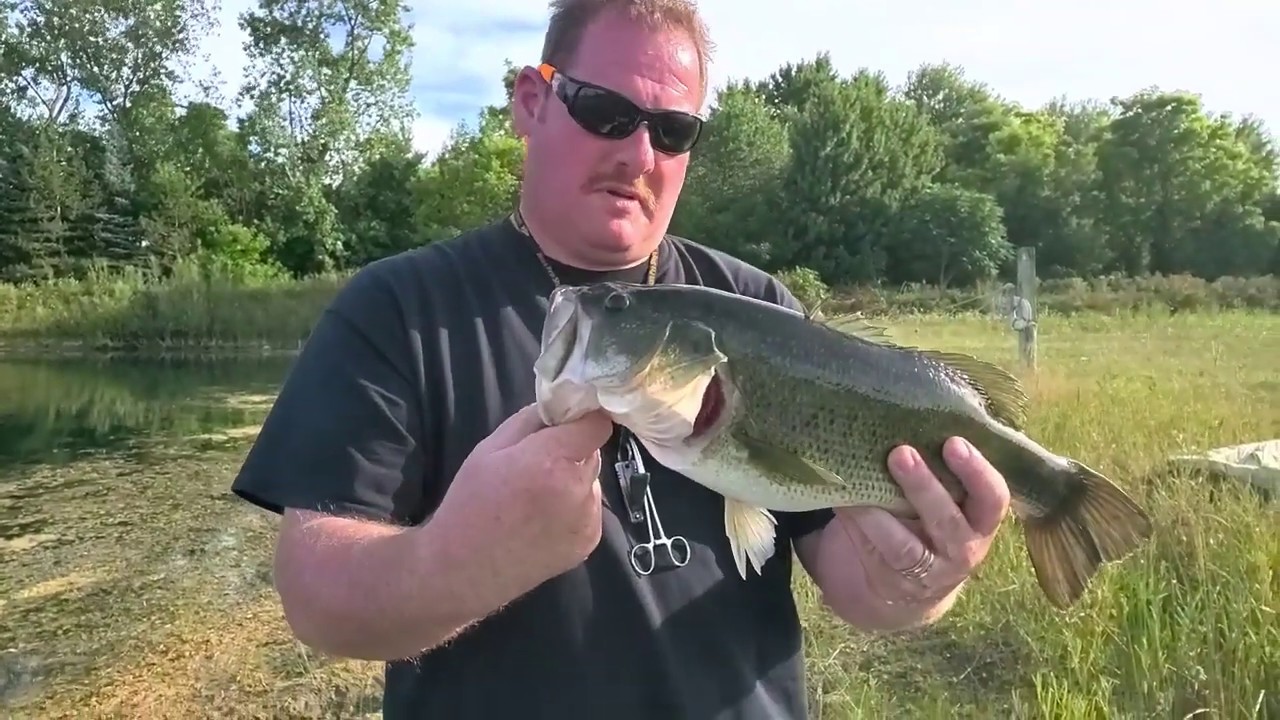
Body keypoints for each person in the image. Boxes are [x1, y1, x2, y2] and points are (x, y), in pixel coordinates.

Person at [229, 0, 1013, 717]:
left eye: (673, 131)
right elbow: (315, 593)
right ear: (531, 103)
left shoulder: (759, 309)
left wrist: (923, 578)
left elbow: (859, 583)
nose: (640, 153)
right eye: (607, 112)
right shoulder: (397, 310)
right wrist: (454, 560)